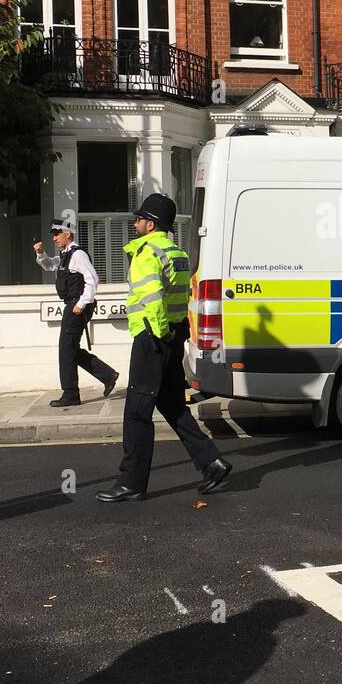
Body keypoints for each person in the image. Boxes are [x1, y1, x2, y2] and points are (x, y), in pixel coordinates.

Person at [98, 193, 231, 503]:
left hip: (153, 340)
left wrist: (159, 334)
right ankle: (211, 463)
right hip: (173, 338)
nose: (135, 223)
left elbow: (153, 299)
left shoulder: (146, 253)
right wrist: (171, 334)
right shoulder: (176, 252)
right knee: (172, 405)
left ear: (151, 224)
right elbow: (181, 295)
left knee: (137, 413)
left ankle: (131, 482)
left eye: (140, 218)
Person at [34, 218, 118, 408]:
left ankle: (71, 393)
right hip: (72, 305)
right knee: (69, 347)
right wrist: (40, 253)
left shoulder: (78, 255)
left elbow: (93, 279)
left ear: (67, 234)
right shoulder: (66, 254)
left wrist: (82, 302)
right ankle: (107, 375)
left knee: (66, 348)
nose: (54, 238)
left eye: (57, 234)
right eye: (53, 235)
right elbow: (49, 265)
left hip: (77, 305)